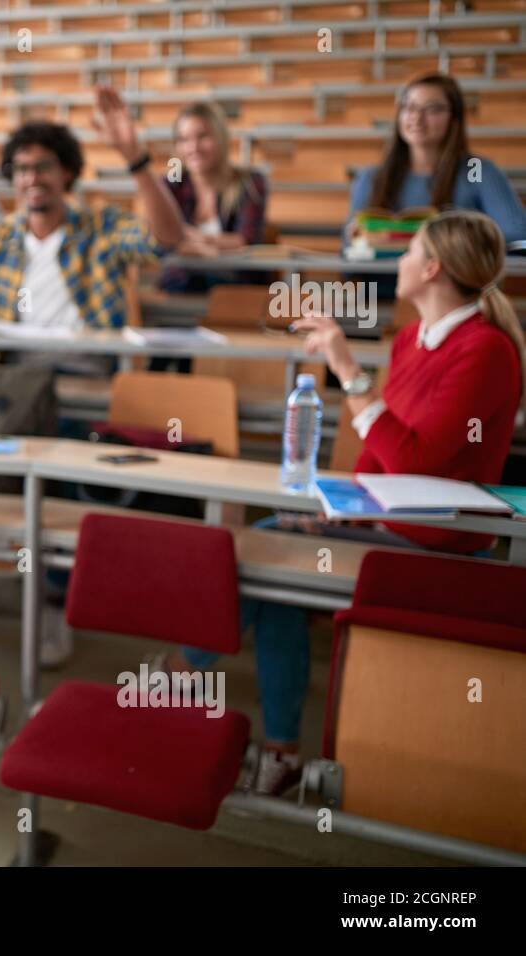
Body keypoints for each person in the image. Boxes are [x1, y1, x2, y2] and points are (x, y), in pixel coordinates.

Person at [154, 209, 524, 795]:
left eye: (408, 254)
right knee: (278, 561)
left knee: (268, 545)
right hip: (384, 524)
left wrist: (347, 368)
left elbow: (413, 462)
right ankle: (278, 754)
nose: (397, 264)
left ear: (432, 268)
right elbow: (381, 462)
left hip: (441, 546)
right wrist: (336, 506)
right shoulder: (410, 339)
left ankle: (179, 674)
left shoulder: (486, 350)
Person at [0, 87, 187, 661]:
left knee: (58, 470)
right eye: (23, 168)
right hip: (10, 387)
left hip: (82, 386)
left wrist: (136, 160)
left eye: (45, 167)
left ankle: (55, 605)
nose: (33, 177)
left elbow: (168, 240)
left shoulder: (100, 227)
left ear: (67, 174)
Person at [345, 73, 526, 249]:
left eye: (432, 109)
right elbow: (347, 257)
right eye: (409, 107)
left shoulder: (476, 170)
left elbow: (518, 237)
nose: (417, 118)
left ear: (454, 118)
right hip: (384, 280)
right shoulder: (371, 177)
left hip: (452, 279)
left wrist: (452, 243)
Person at [158, 101, 269, 294]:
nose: (193, 147)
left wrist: (191, 239)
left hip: (235, 289)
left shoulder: (250, 182)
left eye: (203, 136)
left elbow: (246, 241)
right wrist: (213, 246)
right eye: (183, 140)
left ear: (220, 138)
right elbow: (160, 238)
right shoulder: (172, 184)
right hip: (180, 287)